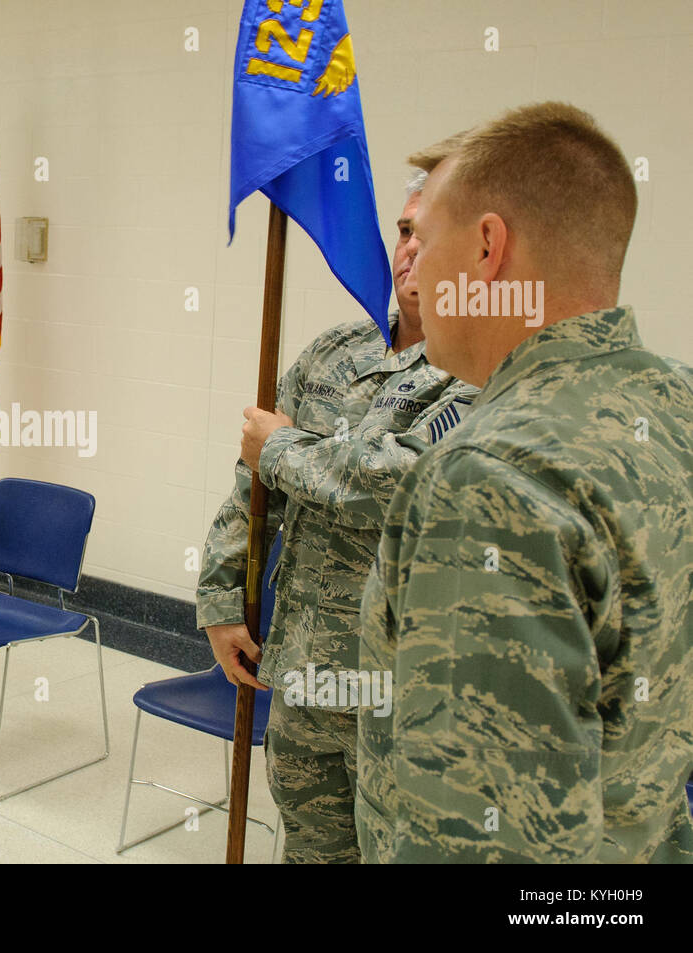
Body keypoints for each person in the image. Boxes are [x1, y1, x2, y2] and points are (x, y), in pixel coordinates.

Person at [357, 101, 693, 863]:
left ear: (485, 248)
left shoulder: (490, 480)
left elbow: (483, 841)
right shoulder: (677, 405)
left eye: (425, 239)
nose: (411, 270)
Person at [197, 177, 478, 863]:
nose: (411, 249)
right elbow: (254, 490)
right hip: (302, 675)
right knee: (310, 852)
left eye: (428, 233)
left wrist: (284, 448)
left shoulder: (482, 367)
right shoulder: (334, 352)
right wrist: (223, 597)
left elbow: (405, 480)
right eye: (405, 230)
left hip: (403, 696)